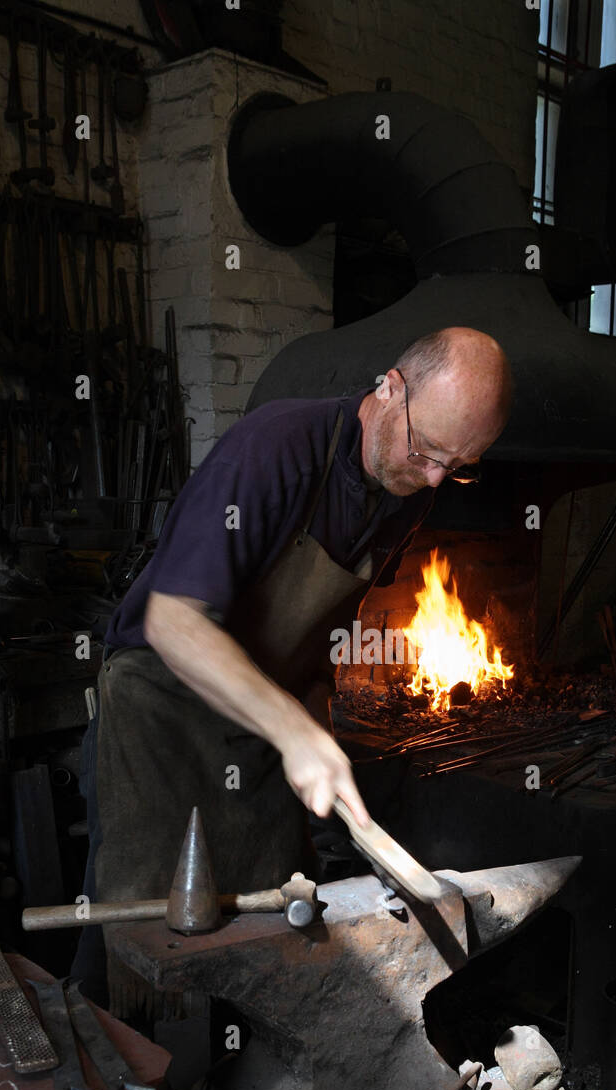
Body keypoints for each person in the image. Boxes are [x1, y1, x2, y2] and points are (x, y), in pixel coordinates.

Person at [72, 326, 513, 1008]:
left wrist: (316, 728)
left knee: (274, 935)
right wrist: (296, 733)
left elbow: (314, 640)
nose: (431, 478)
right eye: (425, 449)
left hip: (256, 733)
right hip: (161, 721)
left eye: (457, 466)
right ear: (388, 387)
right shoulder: (272, 450)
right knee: (141, 951)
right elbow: (171, 622)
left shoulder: (407, 492)